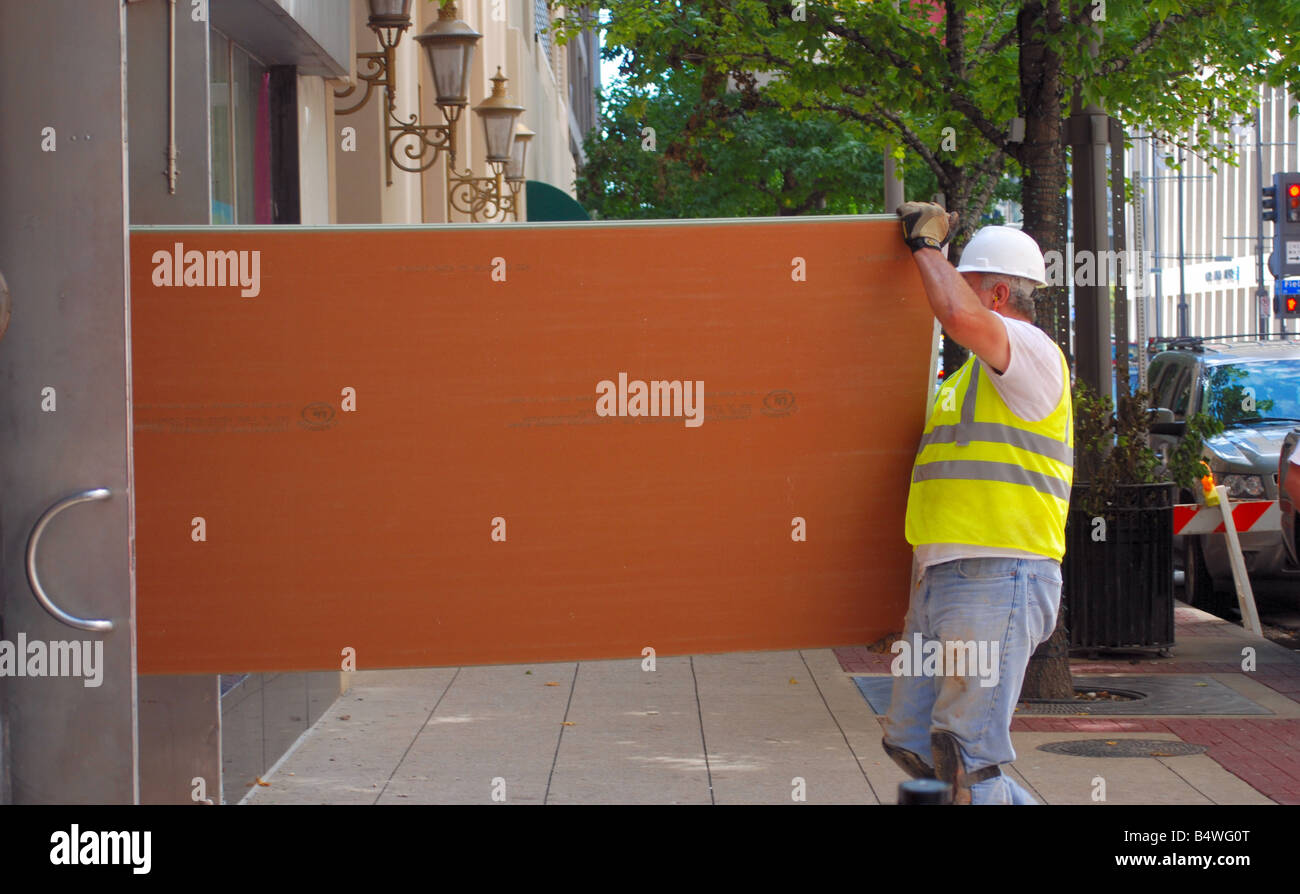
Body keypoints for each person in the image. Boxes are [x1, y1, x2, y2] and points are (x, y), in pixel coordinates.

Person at [880, 203, 1074, 805]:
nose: (942, 297)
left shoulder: (1031, 350)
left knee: (967, 761)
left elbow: (957, 316)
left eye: (956, 282)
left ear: (995, 294)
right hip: (946, 578)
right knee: (918, 749)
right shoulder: (965, 381)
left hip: (999, 573)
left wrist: (923, 246)